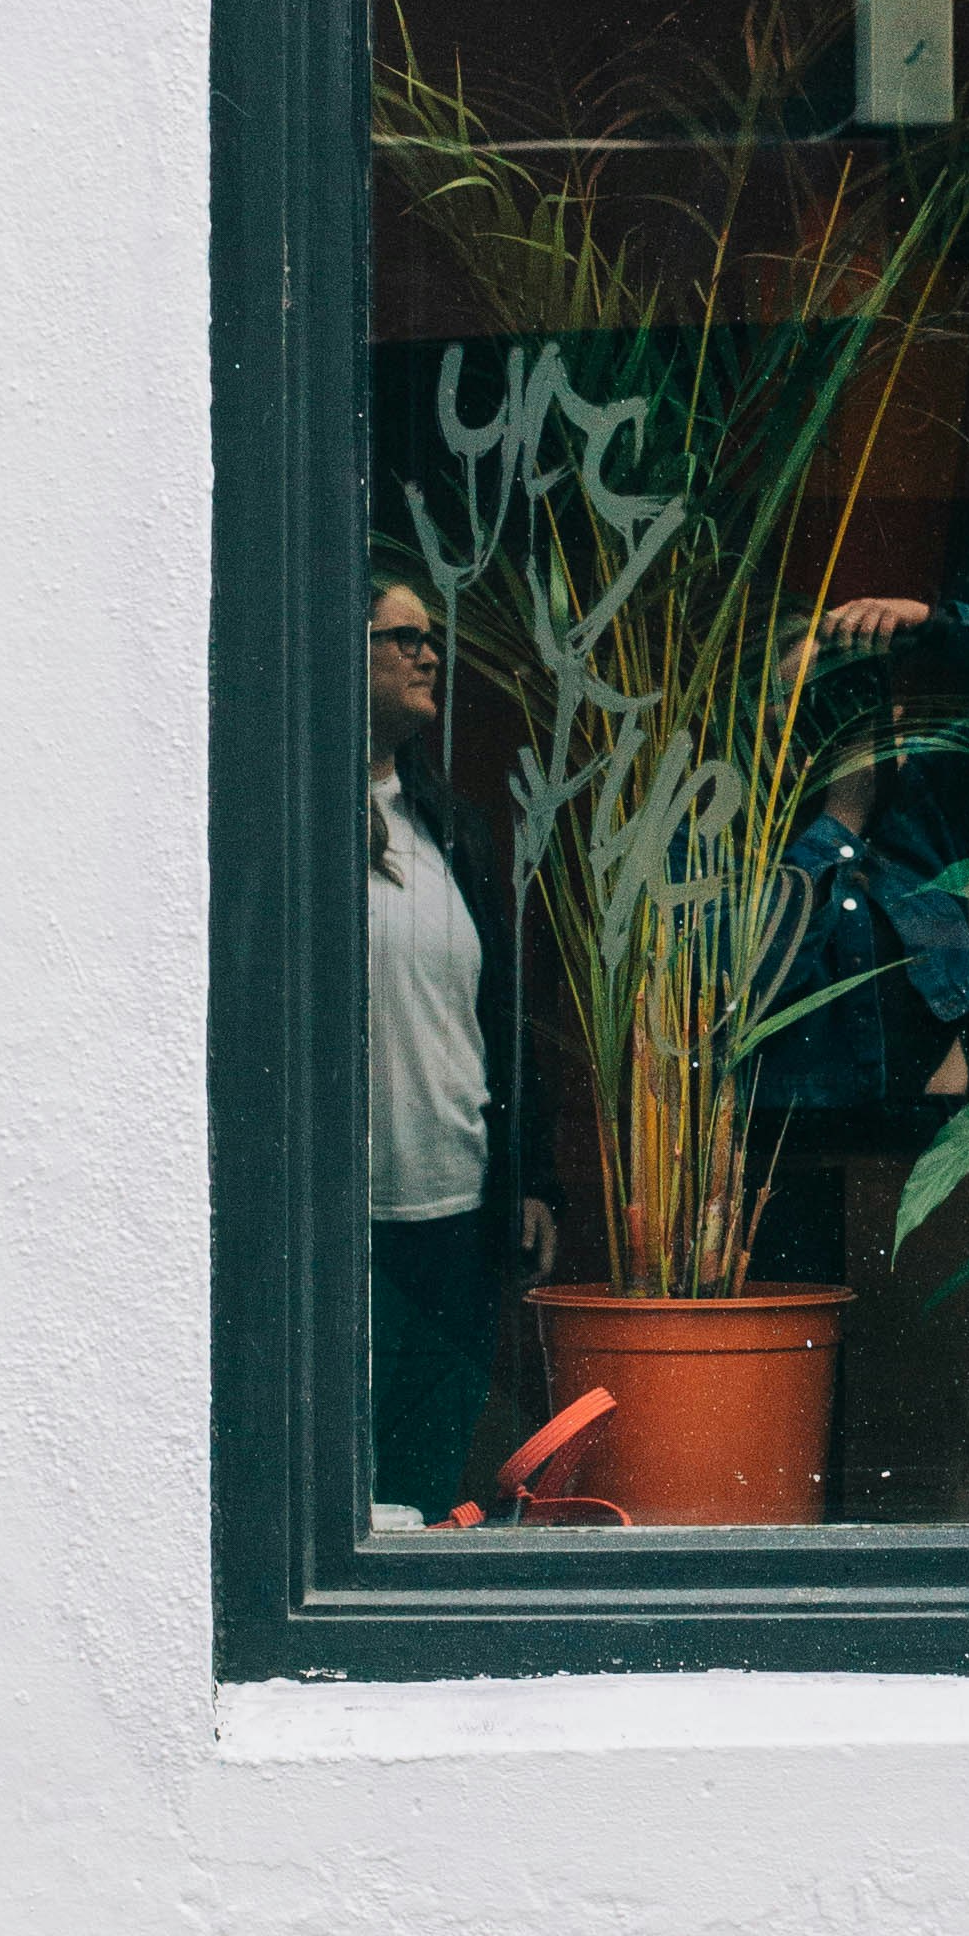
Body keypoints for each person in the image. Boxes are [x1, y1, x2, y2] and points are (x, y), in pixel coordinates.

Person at [364, 571, 560, 1522]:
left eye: (430, 636)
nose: (427, 652)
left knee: (429, 1482)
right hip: (348, 1221)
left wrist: (531, 1179)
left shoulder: (450, 825)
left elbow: (500, 1016)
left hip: (456, 1211)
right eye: (400, 636)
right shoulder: (300, 829)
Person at [747, 592, 969, 1122]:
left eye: (843, 698)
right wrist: (841, 821)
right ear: (759, 722)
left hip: (926, 1130)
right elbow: (745, 984)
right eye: (799, 708)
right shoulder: (727, 840)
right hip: (784, 1148)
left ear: (888, 707)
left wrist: (940, 626)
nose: (824, 731)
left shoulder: (929, 792)